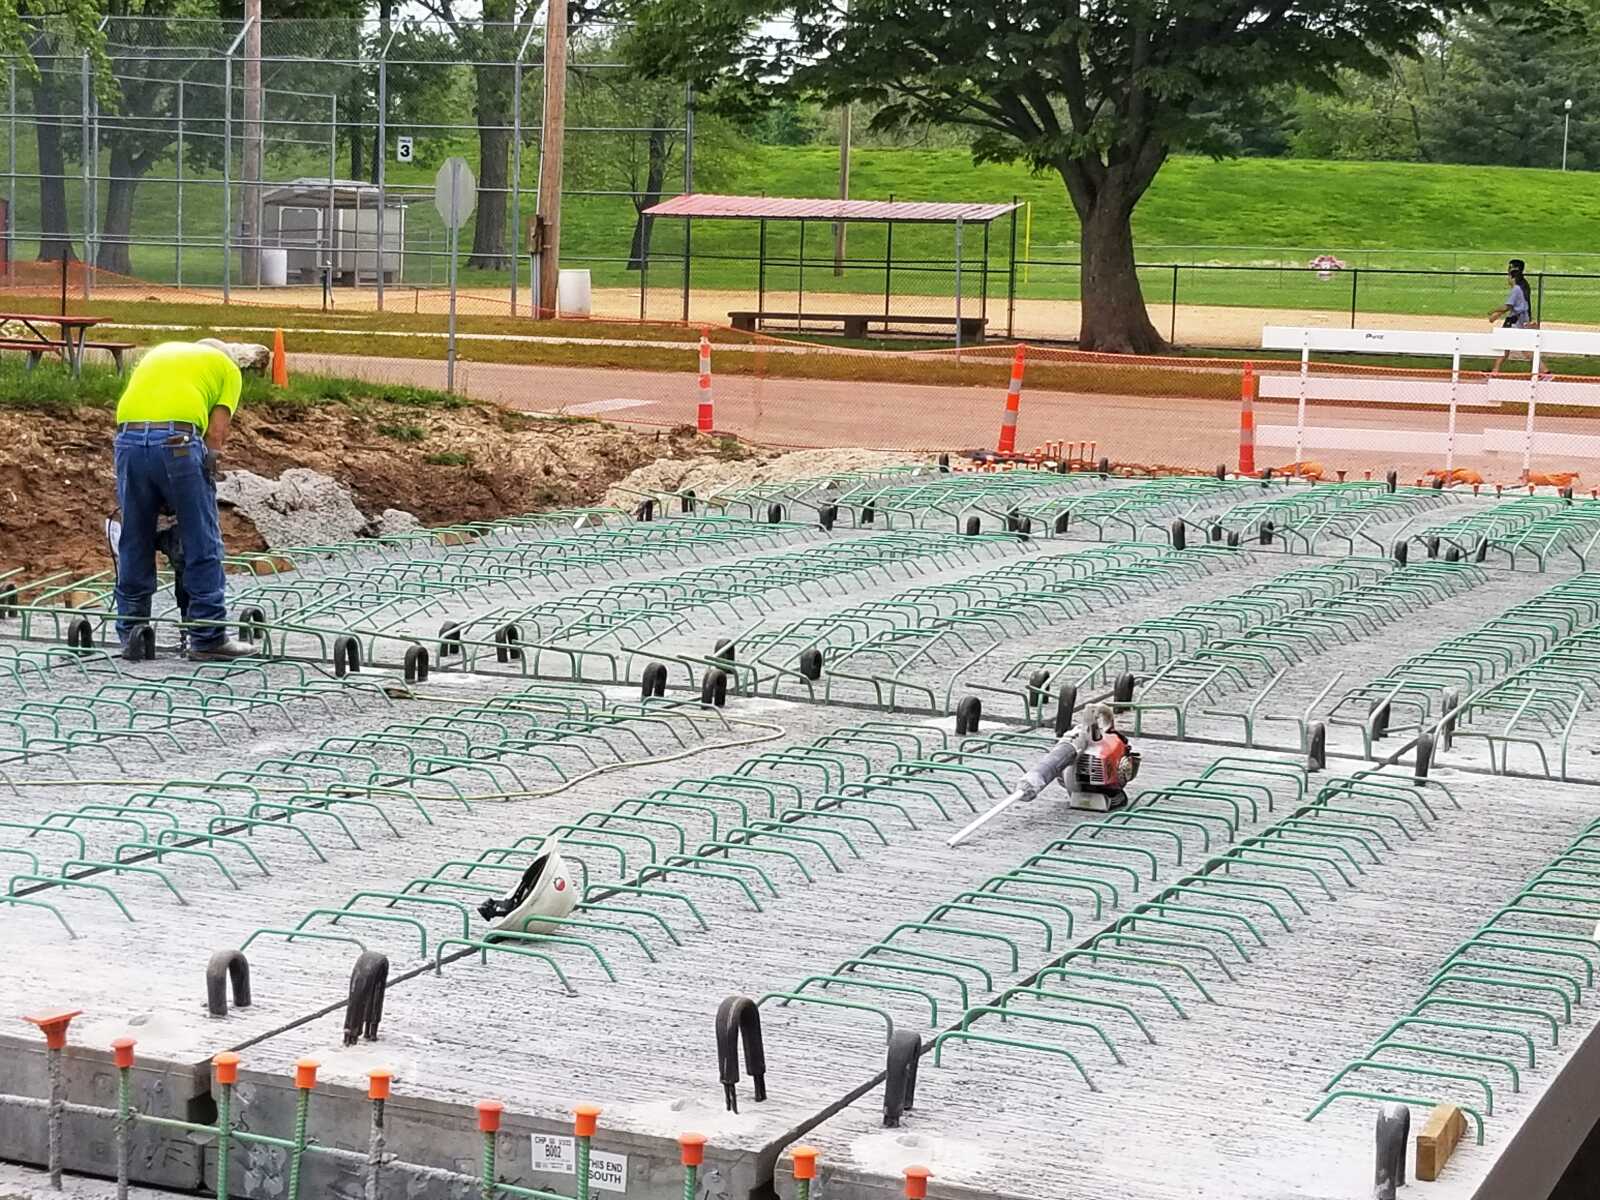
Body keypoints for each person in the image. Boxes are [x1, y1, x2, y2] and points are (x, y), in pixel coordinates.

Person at [113, 338, 259, 660]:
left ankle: (132, 634)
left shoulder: (161, 352)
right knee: (201, 539)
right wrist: (204, 470)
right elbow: (216, 434)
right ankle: (208, 637)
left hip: (128, 439)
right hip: (178, 441)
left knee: (135, 538)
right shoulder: (228, 369)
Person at [1488, 258, 1535, 375]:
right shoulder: (1522, 286)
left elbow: (1508, 306)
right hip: (1517, 319)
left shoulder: (1517, 289)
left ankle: (1544, 372)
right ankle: (1495, 370)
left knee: (1523, 348)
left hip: (1516, 321)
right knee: (1505, 345)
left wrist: (1493, 312)